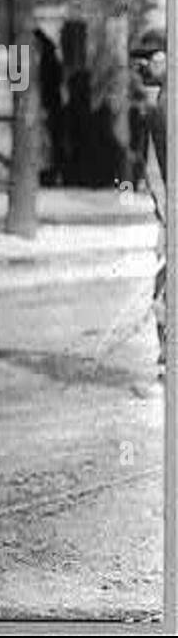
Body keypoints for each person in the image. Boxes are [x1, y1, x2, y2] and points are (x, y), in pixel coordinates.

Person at [130, 25, 167, 375]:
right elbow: (155, 171)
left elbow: (154, 170)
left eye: (150, 58)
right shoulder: (159, 106)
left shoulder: (163, 108)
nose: (143, 68)